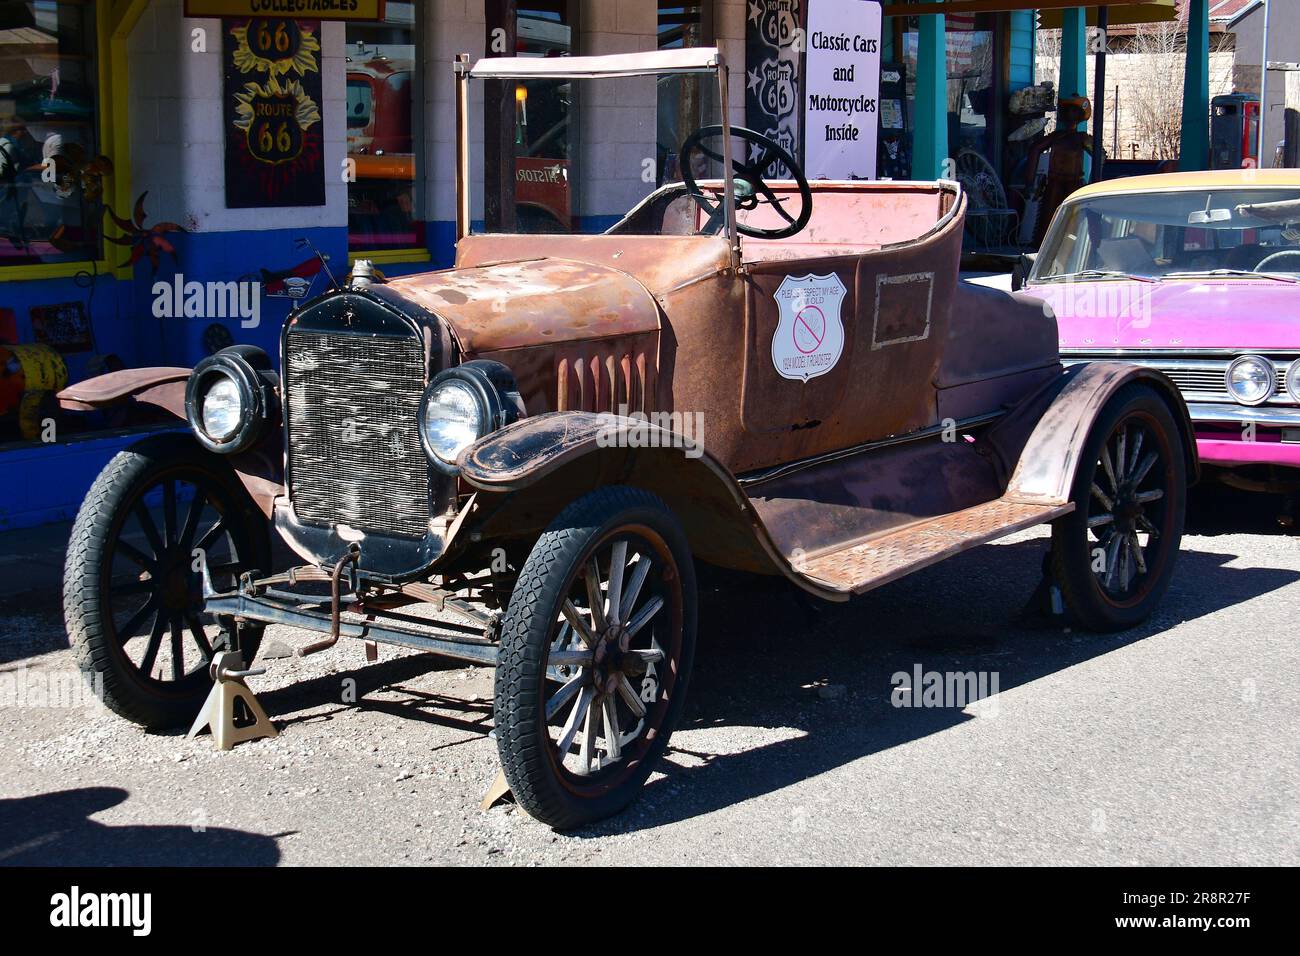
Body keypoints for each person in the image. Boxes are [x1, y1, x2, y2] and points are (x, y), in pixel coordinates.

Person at [1024, 96, 1096, 247]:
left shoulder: (1081, 138)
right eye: (1067, 111)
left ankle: (1076, 249)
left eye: (1073, 112)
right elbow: (1035, 150)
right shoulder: (1057, 137)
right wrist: (1030, 182)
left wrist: (1093, 185)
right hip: (1054, 182)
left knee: (1075, 219)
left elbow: (1099, 156)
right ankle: (1041, 249)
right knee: (1047, 218)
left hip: (1073, 184)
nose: (1070, 115)